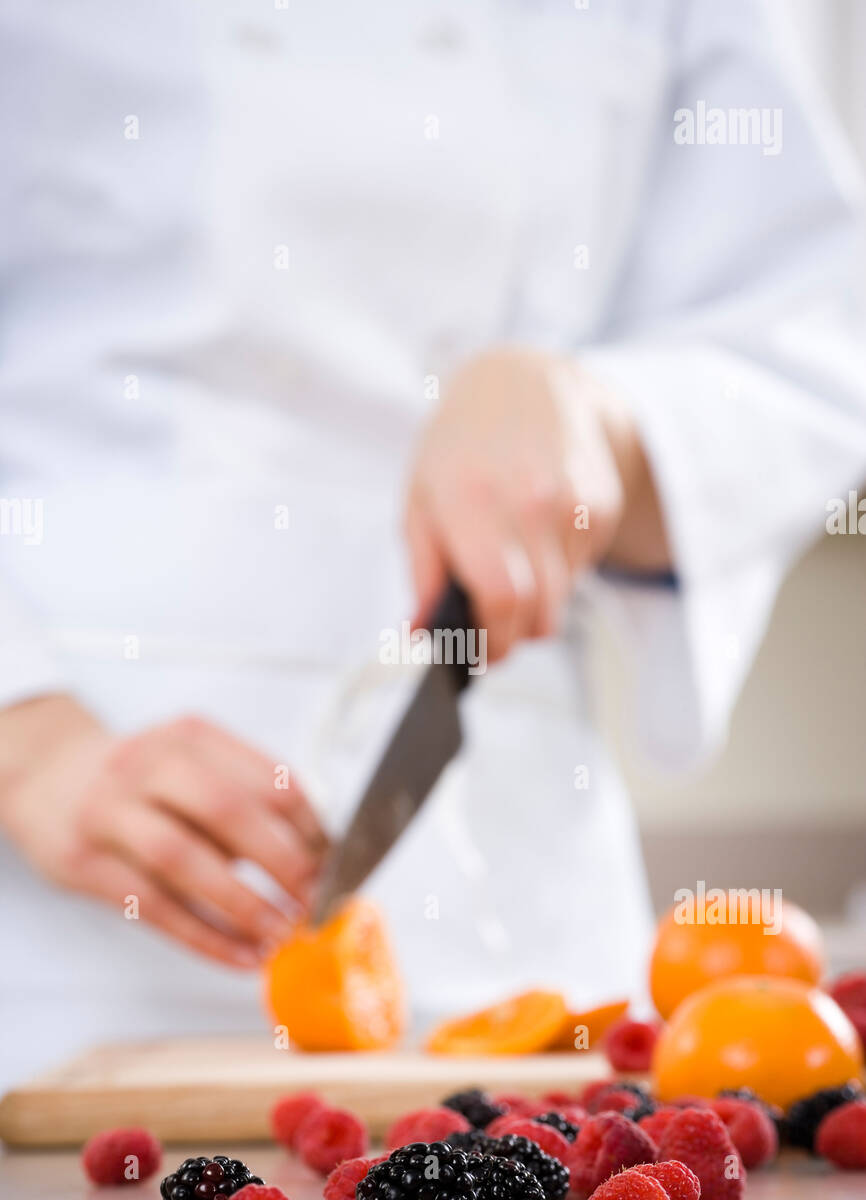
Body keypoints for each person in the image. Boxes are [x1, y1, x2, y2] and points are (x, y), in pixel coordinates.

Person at [1, 1, 864, 1087]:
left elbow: (816, 331)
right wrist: (22, 731)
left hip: (521, 897)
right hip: (55, 948)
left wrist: (605, 414)